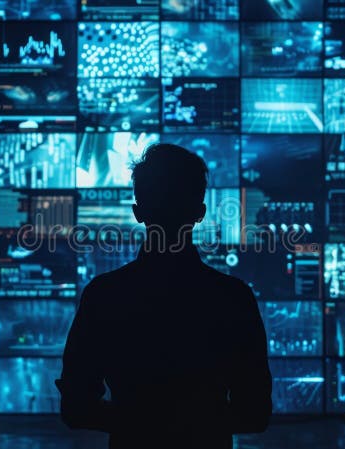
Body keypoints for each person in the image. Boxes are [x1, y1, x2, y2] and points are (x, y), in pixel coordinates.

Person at [56, 143, 272, 449]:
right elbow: (255, 413)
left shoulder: (104, 295)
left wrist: (140, 421)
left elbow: (76, 409)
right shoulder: (233, 299)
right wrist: (195, 422)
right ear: (199, 212)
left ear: (138, 212)